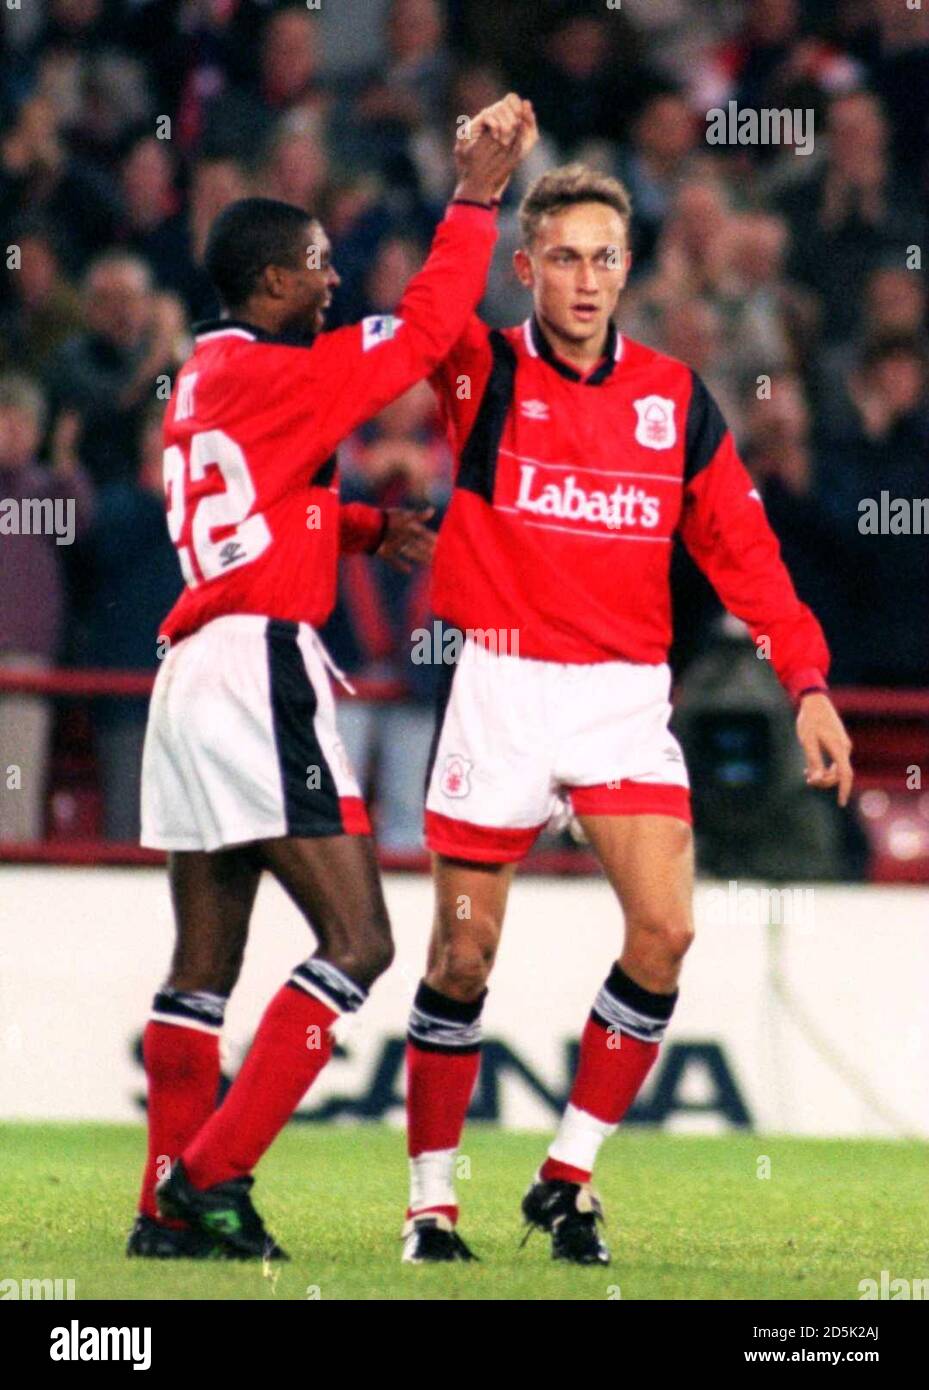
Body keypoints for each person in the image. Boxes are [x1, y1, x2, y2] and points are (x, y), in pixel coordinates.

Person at [400, 164, 854, 1266]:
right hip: (503, 684)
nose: (587, 277)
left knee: (665, 931)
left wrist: (804, 681)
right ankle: (429, 1208)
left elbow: (743, 554)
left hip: (618, 693)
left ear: (627, 269)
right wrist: (473, 191)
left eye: (605, 256)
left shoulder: (672, 398)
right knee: (462, 962)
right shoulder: (482, 370)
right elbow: (424, 317)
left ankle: (565, 1178)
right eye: (562, 255)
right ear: (526, 268)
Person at [128, 95, 538, 1261]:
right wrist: (474, 197)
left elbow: (253, 503)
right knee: (358, 942)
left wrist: (358, 530)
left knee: (200, 970)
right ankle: (204, 1179)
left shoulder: (210, 377)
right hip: (260, 665)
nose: (330, 281)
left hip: (191, 675)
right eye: (313, 266)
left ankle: (166, 1209)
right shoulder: (281, 372)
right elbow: (418, 338)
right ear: (266, 284)